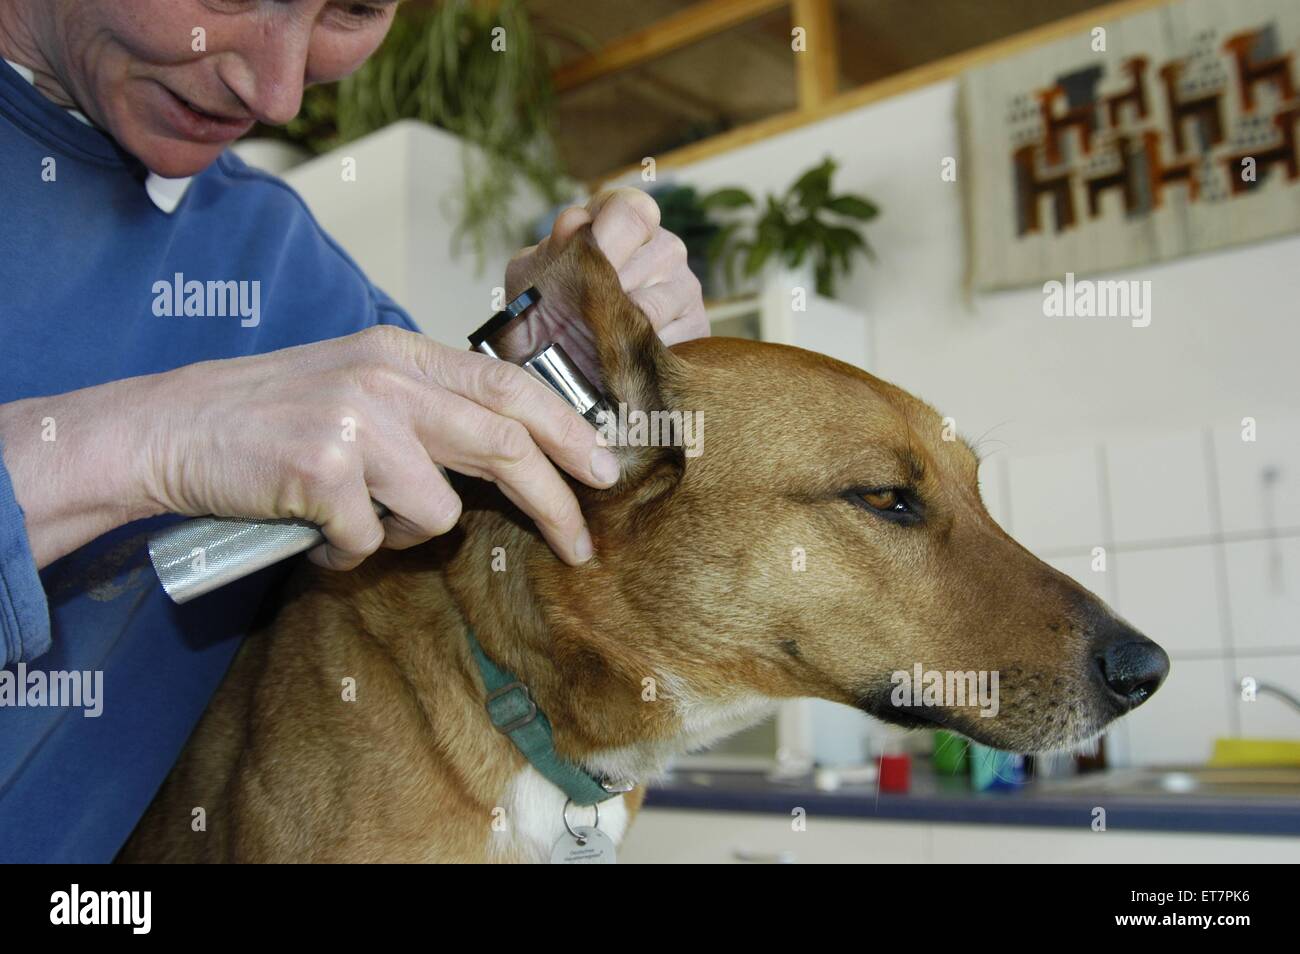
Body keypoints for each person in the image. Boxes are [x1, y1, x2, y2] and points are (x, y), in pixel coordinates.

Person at [0, 0, 707, 862]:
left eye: (351, 10)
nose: (281, 89)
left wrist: (555, 355)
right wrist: (148, 443)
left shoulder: (295, 273)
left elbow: (459, 550)